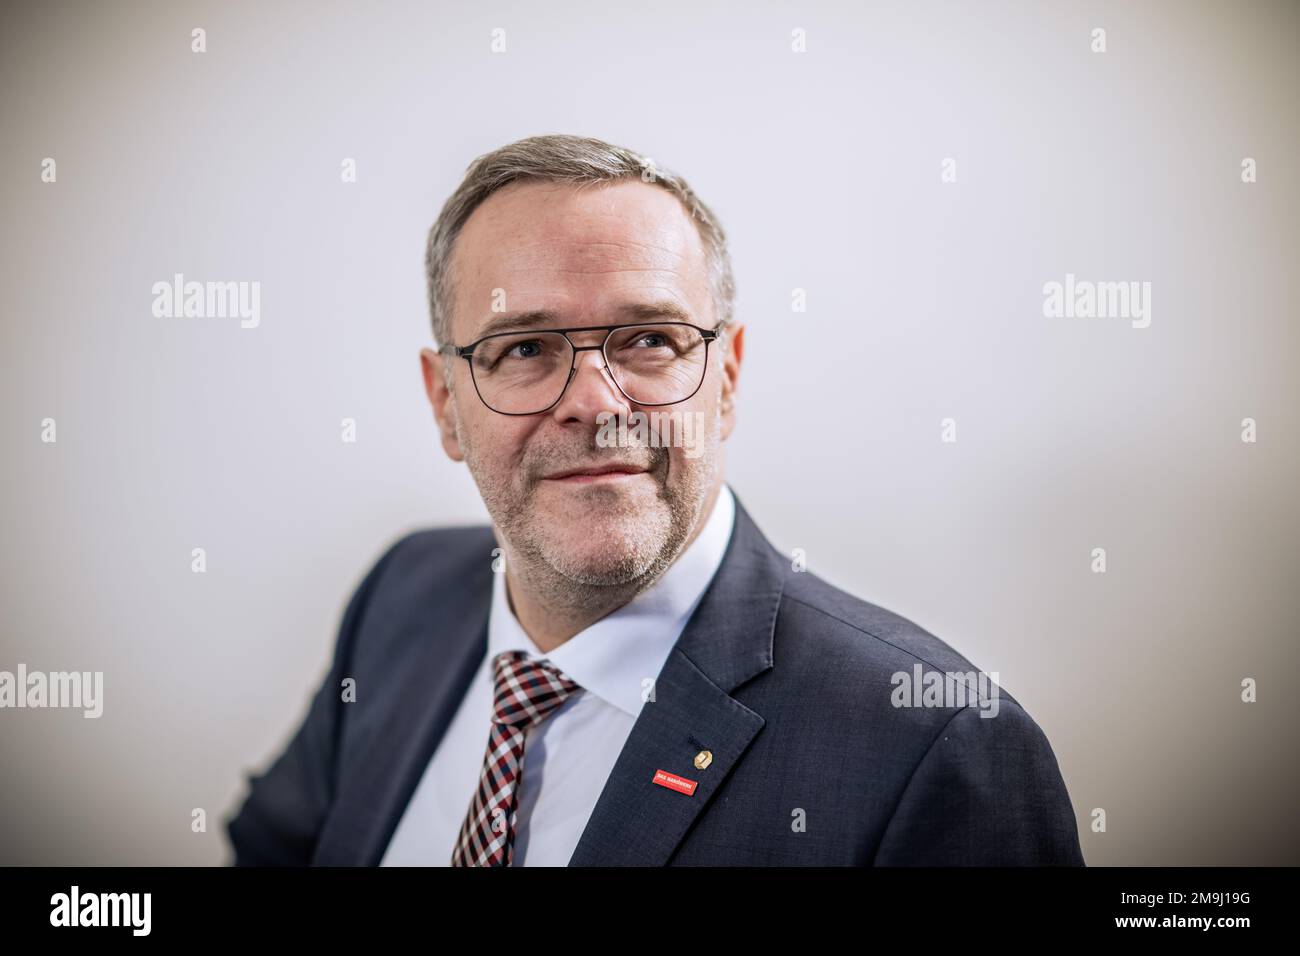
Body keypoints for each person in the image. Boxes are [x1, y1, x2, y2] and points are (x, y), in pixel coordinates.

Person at [226, 134, 1085, 866]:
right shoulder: (404, 595)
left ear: (728, 376)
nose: (595, 402)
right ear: (445, 402)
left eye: (648, 340)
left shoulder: (937, 747)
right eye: (524, 347)